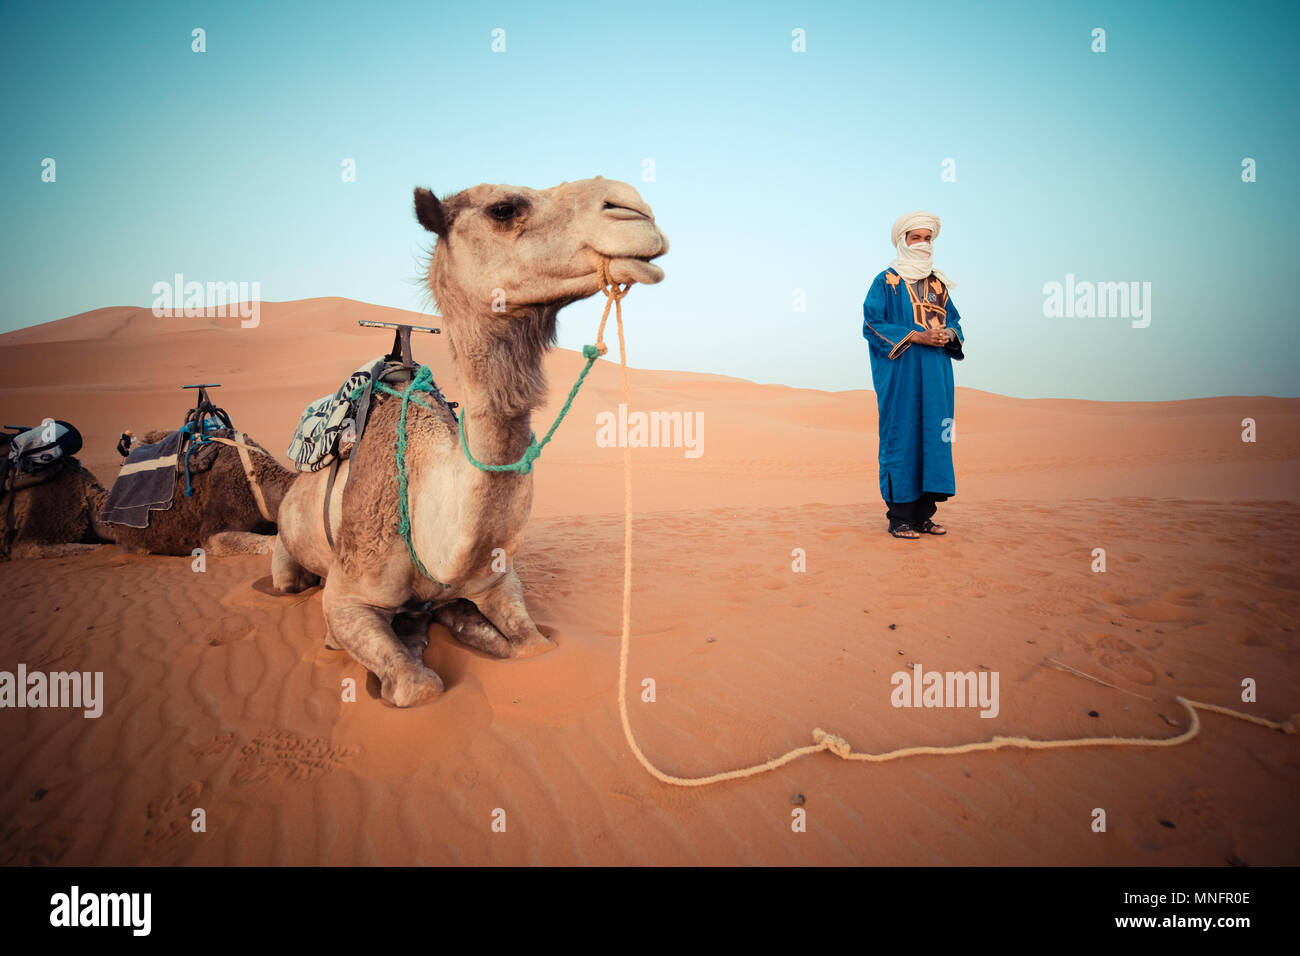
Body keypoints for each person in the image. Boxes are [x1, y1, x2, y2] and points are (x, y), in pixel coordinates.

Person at [861, 211, 965, 539]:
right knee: (902, 436)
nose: (922, 243)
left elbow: (955, 321)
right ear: (903, 240)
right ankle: (900, 517)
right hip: (902, 373)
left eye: (927, 237)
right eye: (915, 237)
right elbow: (872, 322)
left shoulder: (938, 284)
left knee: (934, 437)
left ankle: (923, 515)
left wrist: (948, 334)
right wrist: (917, 336)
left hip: (936, 374)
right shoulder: (886, 281)